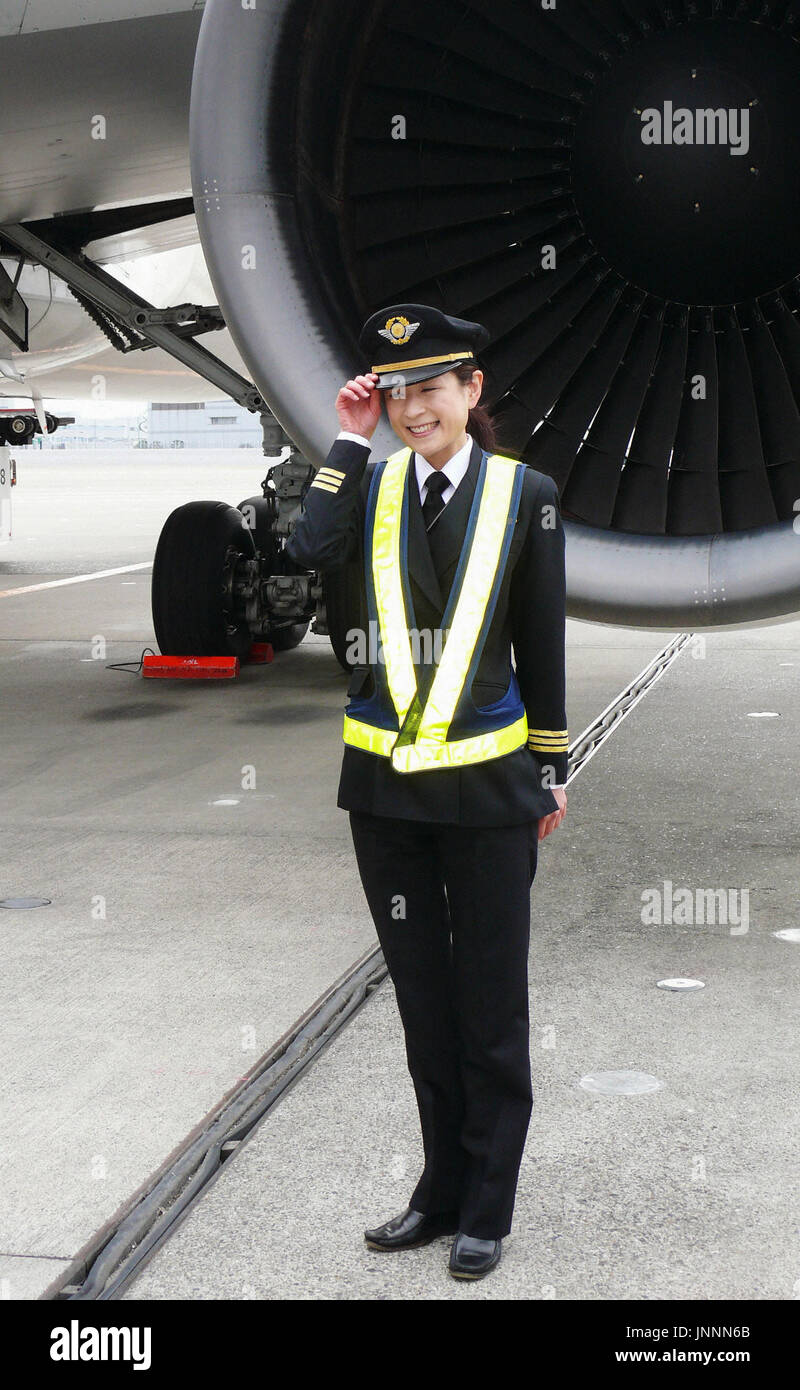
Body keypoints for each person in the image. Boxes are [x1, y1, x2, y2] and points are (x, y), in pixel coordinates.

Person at [285, 302, 568, 1281]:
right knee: (423, 1010)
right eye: (397, 391)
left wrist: (550, 763)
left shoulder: (522, 494)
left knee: (489, 1011)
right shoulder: (367, 486)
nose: (413, 407)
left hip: (490, 797)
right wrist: (342, 436)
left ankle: (486, 1208)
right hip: (385, 801)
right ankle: (437, 1191)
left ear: (470, 391)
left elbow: (541, 640)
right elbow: (304, 546)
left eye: (430, 387)